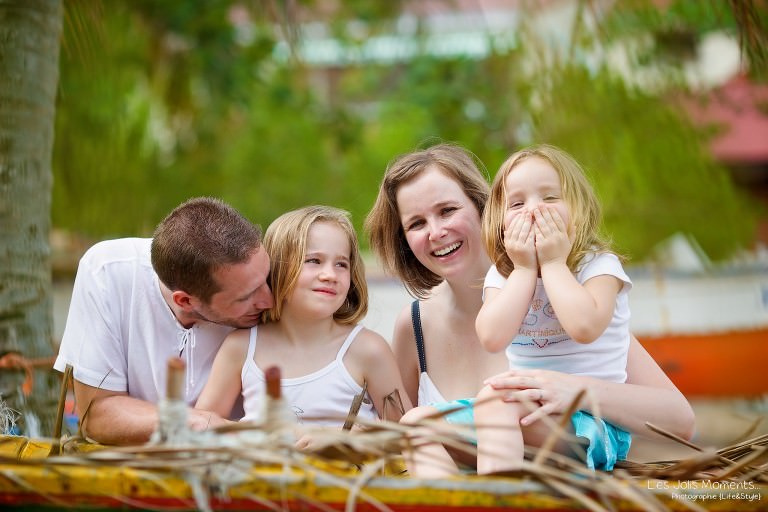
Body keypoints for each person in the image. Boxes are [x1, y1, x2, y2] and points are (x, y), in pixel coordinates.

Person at [365, 143, 695, 478]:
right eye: (416, 223)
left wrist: (576, 391)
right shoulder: (414, 326)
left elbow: (679, 420)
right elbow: (400, 447)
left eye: (448, 210)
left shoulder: (562, 297)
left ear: (485, 208)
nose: (436, 232)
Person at [53, 197, 274, 445]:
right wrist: (205, 424)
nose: (270, 301)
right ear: (185, 301)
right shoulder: (107, 272)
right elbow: (97, 415)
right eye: (246, 296)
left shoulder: (275, 278)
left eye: (267, 278)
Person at [474, 144, 633, 474]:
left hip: (594, 425)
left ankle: (498, 500)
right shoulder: (504, 276)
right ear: (500, 223)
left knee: (494, 400)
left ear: (579, 209)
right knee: (420, 422)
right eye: (517, 203)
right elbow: (491, 337)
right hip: (521, 409)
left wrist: (553, 262)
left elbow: (584, 328)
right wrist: (523, 271)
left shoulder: (600, 267)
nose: (533, 210)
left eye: (549, 198)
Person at [195, 205, 412, 444]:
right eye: (314, 261)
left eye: (341, 264)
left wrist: (344, 440)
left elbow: (404, 435)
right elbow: (203, 424)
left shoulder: (368, 349)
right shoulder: (241, 347)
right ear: (278, 269)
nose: (330, 274)